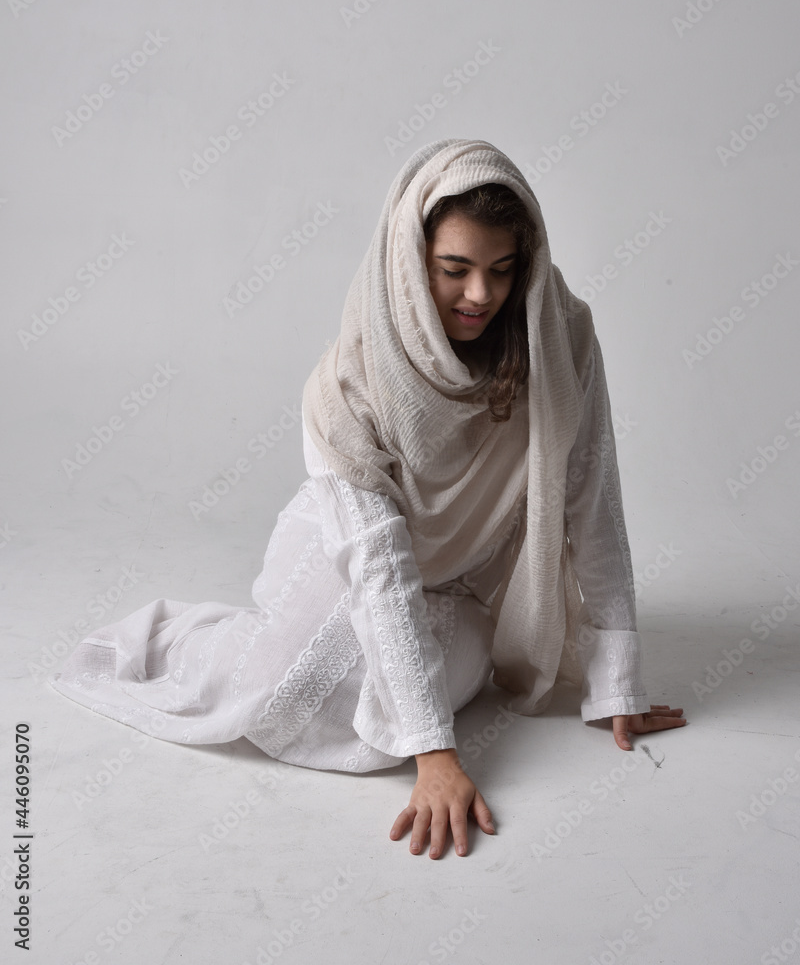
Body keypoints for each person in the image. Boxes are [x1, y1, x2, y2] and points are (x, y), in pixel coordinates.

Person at [50, 137, 686, 860]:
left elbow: (592, 500)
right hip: (338, 556)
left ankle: (388, 693)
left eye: (502, 270)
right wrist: (436, 756)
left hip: (460, 588)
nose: (481, 295)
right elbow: (378, 565)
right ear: (413, 263)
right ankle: (192, 635)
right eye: (455, 269)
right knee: (275, 694)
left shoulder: (560, 337)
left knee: (378, 733)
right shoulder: (347, 385)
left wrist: (615, 683)